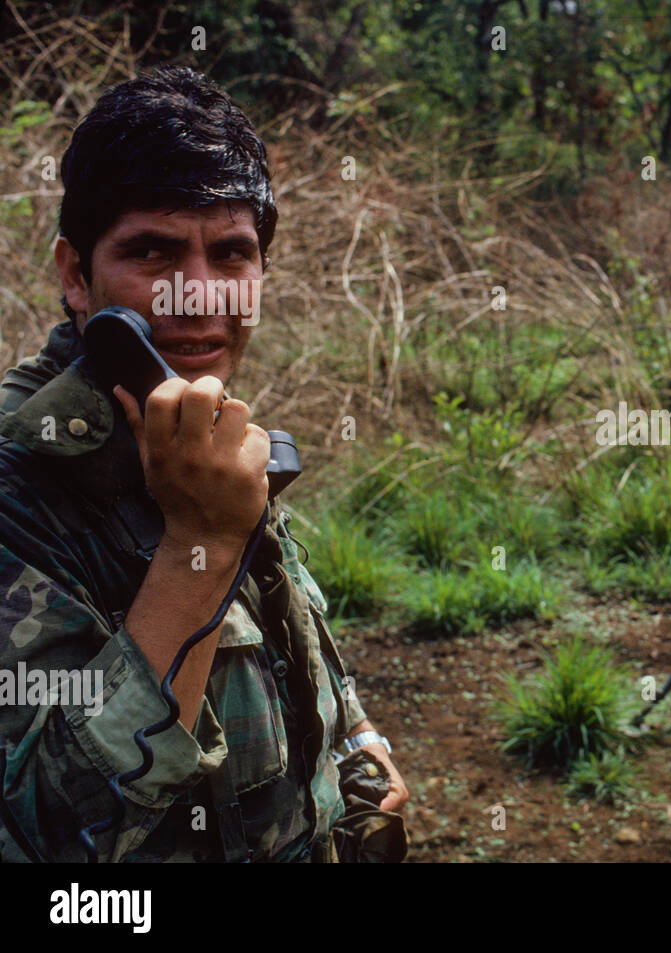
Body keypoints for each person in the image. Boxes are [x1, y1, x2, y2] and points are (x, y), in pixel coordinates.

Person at [0, 67, 407, 862]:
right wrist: (202, 545)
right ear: (76, 276)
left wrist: (355, 730)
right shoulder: (23, 491)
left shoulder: (201, 428)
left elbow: (284, 615)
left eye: (231, 254)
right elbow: (48, 839)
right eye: (153, 250)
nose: (200, 295)